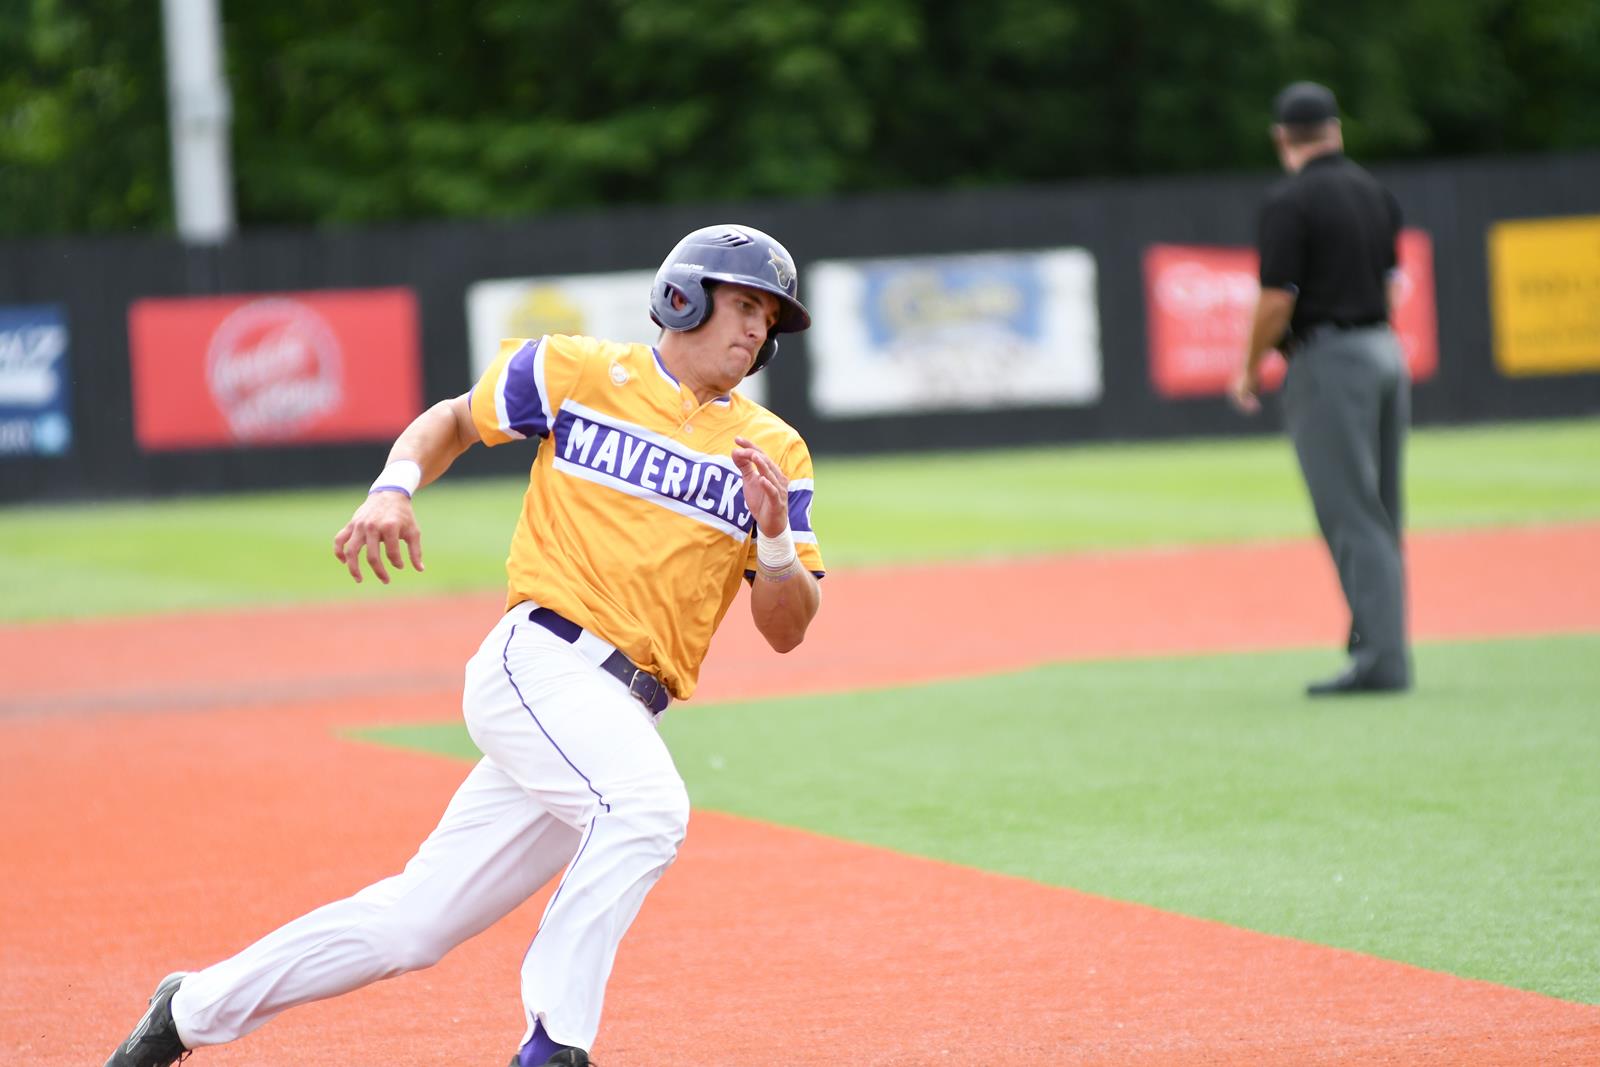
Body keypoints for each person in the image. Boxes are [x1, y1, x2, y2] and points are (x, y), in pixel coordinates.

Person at [104, 223, 825, 1067]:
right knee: (647, 809)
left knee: (413, 924)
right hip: (542, 660)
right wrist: (393, 488)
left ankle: (190, 1009)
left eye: (769, 317)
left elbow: (786, 627)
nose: (756, 329)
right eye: (743, 304)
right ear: (682, 297)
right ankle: (553, 1047)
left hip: (622, 712)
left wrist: (773, 538)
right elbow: (452, 419)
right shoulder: (575, 370)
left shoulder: (772, 452)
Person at [1229, 82, 1412, 696]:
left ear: (1282, 138)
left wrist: (1251, 367)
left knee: (1352, 514)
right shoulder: (1374, 192)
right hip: (1385, 350)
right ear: (1336, 130)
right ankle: (1378, 648)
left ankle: (1382, 661)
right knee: (1382, 509)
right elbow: (1390, 286)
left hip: (1331, 361)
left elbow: (1278, 299)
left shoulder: (1290, 201)